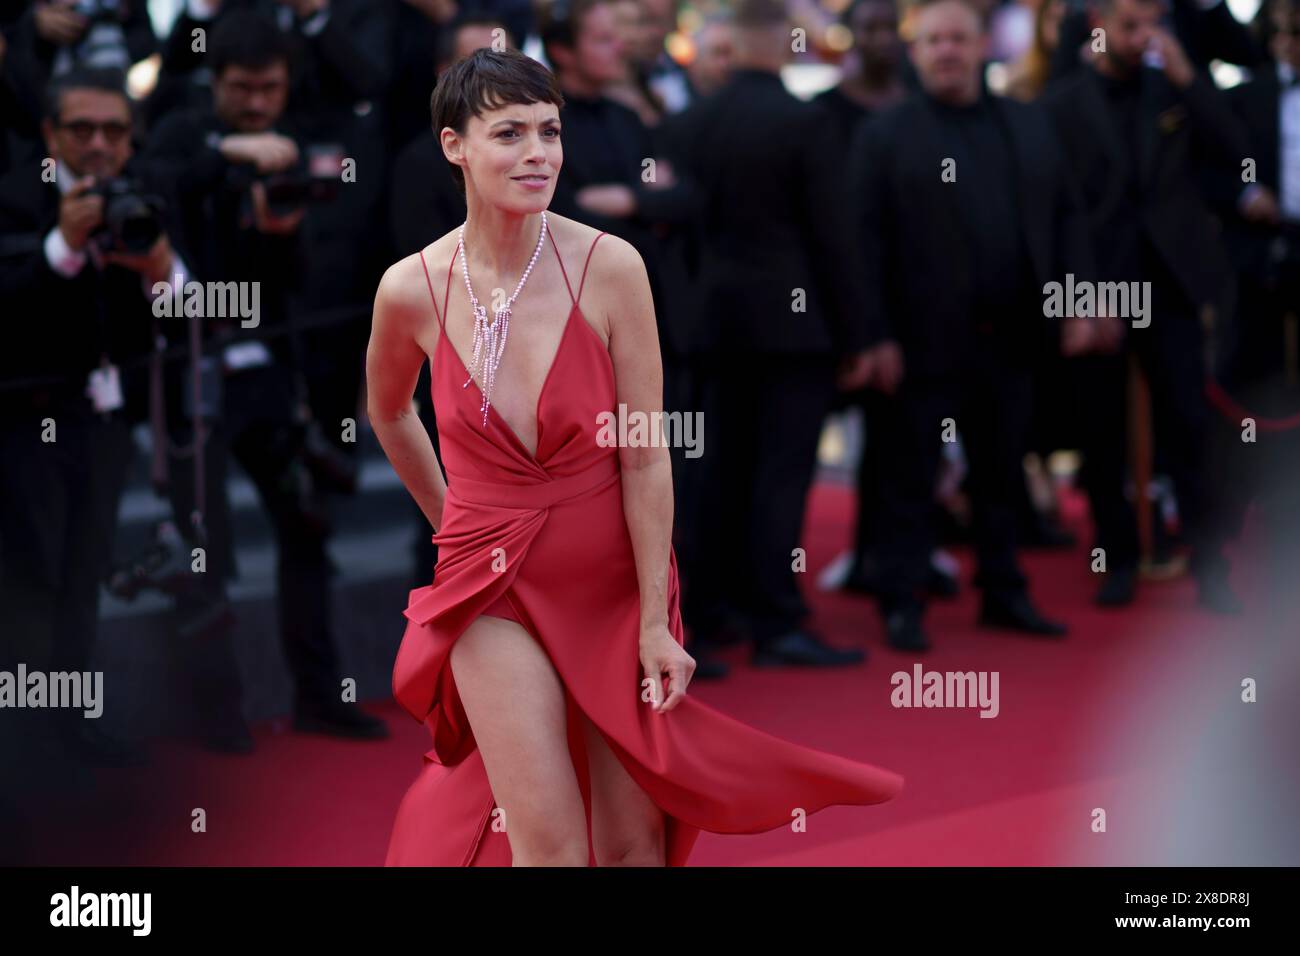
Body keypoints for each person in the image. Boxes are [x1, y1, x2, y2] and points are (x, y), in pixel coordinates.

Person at [367, 46, 903, 866]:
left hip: (615, 588)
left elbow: (647, 456)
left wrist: (656, 619)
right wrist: (456, 525)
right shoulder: (411, 286)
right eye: (509, 134)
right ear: (454, 147)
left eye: (550, 131)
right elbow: (389, 411)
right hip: (488, 588)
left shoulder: (610, 266)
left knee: (628, 848)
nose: (539, 153)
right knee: (549, 847)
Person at [850, 0, 1090, 650]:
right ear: (916, 51)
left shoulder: (1027, 124)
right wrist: (873, 336)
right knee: (909, 475)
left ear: (983, 44)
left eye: (958, 39)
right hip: (919, 341)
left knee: (1002, 471)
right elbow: (861, 245)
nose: (947, 51)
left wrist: (1079, 301)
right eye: (934, 42)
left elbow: (1067, 215)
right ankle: (900, 600)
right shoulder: (885, 134)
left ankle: (1004, 592)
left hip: (1012, 334)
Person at [1041, 0, 1247, 611]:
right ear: (1098, 24)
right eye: (1130, 25)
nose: (1142, 38)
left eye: (1151, 24)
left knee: (1189, 425)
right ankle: (1117, 557)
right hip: (1099, 284)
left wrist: (1189, 77)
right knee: (1101, 432)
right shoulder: (1062, 104)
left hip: (1172, 283)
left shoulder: (1174, 89)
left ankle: (1209, 565)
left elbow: (1237, 153)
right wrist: (1079, 298)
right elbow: (1056, 211)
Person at [0, 66, 178, 767]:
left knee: (82, 580)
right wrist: (62, 249)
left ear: (132, 140)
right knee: (29, 587)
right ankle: (26, 748)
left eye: (114, 130)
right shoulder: (15, 197)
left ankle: (70, 729)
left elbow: (193, 313)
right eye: (82, 129)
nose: (99, 144)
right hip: (24, 428)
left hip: (106, 427)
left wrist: (164, 272)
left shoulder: (149, 199)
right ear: (49, 134)